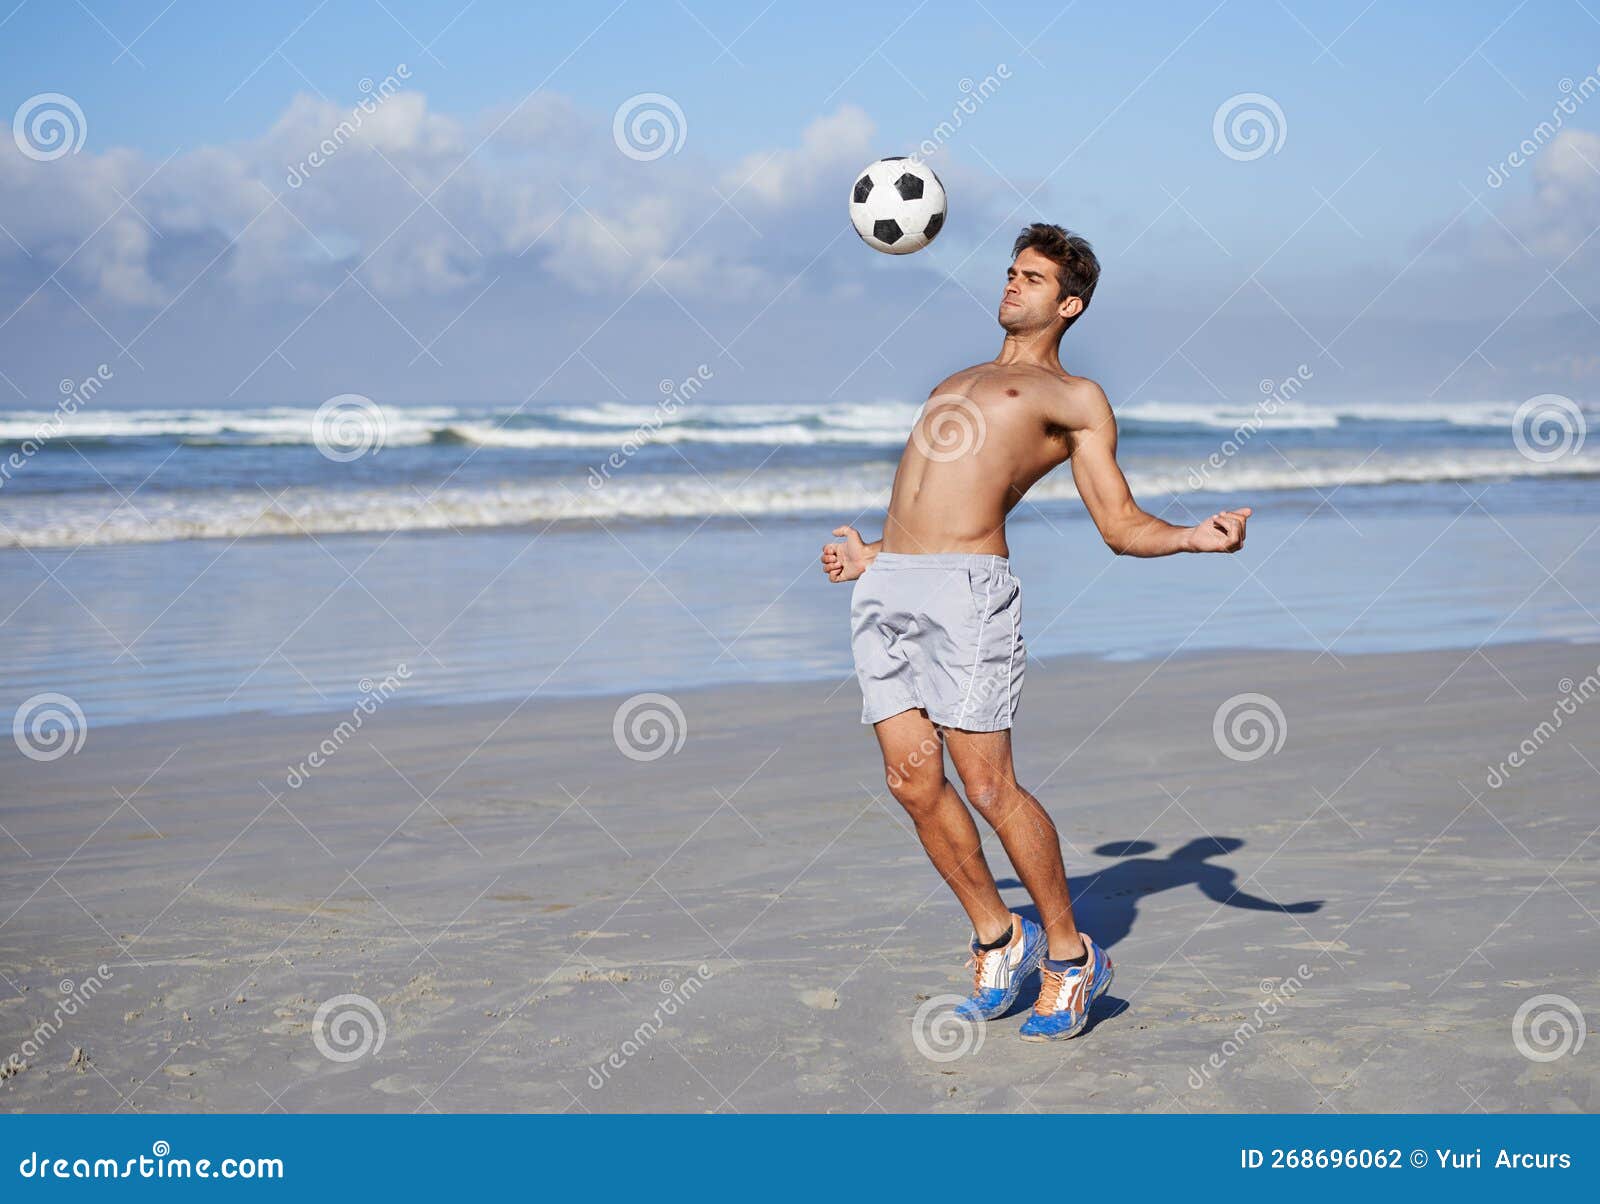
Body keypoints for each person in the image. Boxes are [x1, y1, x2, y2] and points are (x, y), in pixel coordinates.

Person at [820, 223, 1251, 1041]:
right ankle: (997, 935)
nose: (1013, 284)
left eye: (1033, 277)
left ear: (1070, 303)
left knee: (987, 786)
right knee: (912, 784)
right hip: (891, 589)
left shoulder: (1074, 399)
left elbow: (1119, 525)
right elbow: (942, 497)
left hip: (967, 598)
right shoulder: (956, 378)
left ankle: (1070, 956)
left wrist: (1196, 535)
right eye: (1012, 271)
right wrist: (871, 555)